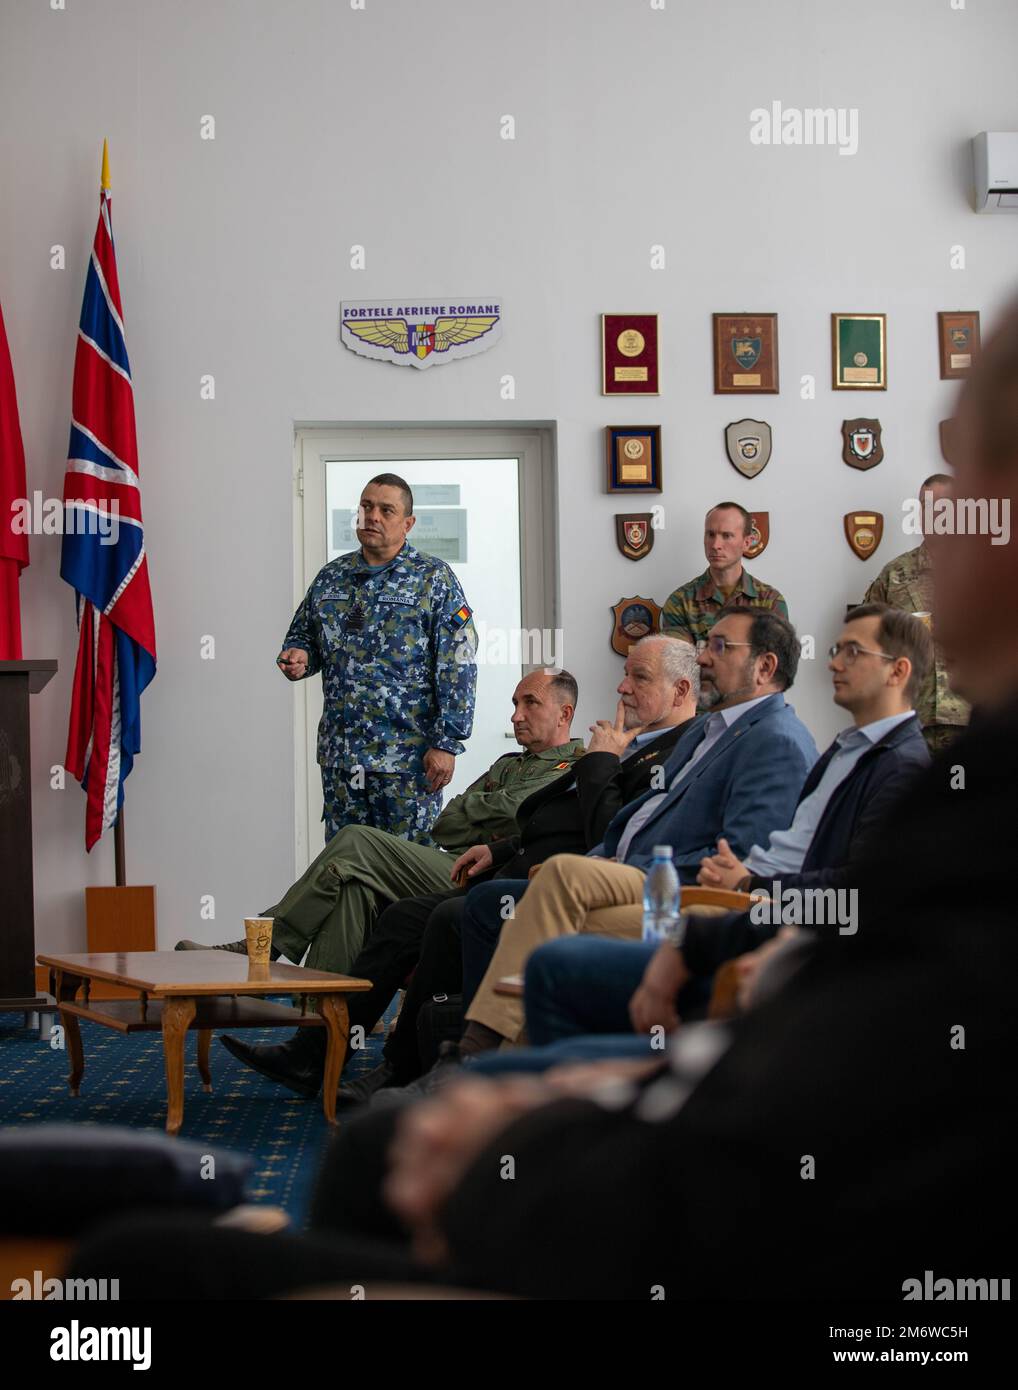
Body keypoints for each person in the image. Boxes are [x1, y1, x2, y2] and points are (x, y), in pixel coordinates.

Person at [65, 297, 1018, 1302]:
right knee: (390, 929)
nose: (931, 539)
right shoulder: (940, 788)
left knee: (137, 1266)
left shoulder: (930, 789)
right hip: (398, 785)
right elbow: (822, 1017)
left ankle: (324, 1003)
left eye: (967, 480)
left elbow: (822, 1108)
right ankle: (323, 1019)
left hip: (713, 1201)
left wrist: (577, 1122)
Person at [221, 636, 701, 1101]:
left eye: (638, 676)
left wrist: (597, 764)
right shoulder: (621, 745)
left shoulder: (660, 753)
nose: (621, 687)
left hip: (560, 882)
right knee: (391, 910)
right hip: (501, 864)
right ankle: (319, 1048)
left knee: (384, 869)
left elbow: (610, 834)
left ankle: (396, 1061)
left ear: (680, 691)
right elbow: (453, 821)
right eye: (625, 675)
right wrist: (501, 845)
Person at [514, 603, 933, 1058]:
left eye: (852, 651)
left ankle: (511, 1066)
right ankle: (513, 1067)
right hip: (744, 899)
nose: (833, 662)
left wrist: (751, 883)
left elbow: (858, 892)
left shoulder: (899, 765)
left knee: (558, 935)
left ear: (898, 672)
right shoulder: (846, 749)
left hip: (756, 910)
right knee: (552, 906)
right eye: (836, 649)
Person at [432, 609, 817, 1065]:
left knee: (556, 887)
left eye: (719, 647)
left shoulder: (776, 740)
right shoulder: (710, 731)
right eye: (704, 645)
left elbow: (734, 862)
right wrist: (604, 858)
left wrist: (619, 868)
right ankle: (494, 1067)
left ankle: (480, 1058)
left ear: (765, 667)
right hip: (636, 871)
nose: (704, 659)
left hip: (682, 887)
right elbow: (638, 817)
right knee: (546, 886)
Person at [176, 671, 583, 983]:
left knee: (356, 840)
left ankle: (264, 944)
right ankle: (323, 1024)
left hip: (494, 878)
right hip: (454, 863)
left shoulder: (579, 764)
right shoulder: (508, 764)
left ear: (565, 713)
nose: (516, 715)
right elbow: (446, 824)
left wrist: (483, 809)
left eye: (531, 703)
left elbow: (515, 813)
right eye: (515, 703)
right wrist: (488, 810)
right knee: (354, 887)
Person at [278, 473, 477, 843]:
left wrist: (447, 742)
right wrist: (300, 656)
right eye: (367, 506)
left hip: (407, 760)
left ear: (408, 523)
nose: (373, 516)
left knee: (409, 869)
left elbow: (459, 663)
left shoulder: (433, 580)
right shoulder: (331, 578)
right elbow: (304, 636)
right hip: (342, 757)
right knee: (346, 866)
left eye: (387, 510)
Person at [863, 473, 971, 754]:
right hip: (908, 726)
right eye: (926, 506)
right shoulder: (894, 576)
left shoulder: (987, 572)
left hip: (973, 725)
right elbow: (864, 641)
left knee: (965, 796)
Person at [660, 501, 788, 648]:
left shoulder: (770, 601)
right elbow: (678, 666)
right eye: (710, 534)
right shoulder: (680, 602)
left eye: (727, 536)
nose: (715, 545)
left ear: (747, 542)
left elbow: (775, 664)